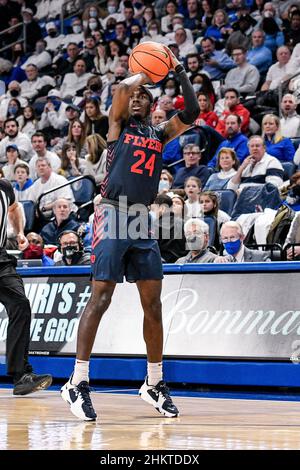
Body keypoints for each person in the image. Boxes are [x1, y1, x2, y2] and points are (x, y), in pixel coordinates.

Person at [61, 45, 200, 420]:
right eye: (134, 96)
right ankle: (77, 382)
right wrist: (150, 74)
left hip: (141, 218)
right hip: (111, 212)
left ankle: (154, 382)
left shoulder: (159, 132)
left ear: (152, 106)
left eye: (144, 97)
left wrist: (180, 70)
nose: (136, 98)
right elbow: (122, 88)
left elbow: (192, 113)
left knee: (153, 304)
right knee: (101, 296)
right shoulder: (117, 125)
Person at [0, 178, 52, 394]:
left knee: (20, 304)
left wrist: (19, 231)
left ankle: (21, 375)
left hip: (0, 258)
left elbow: (14, 208)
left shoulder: (4, 187)